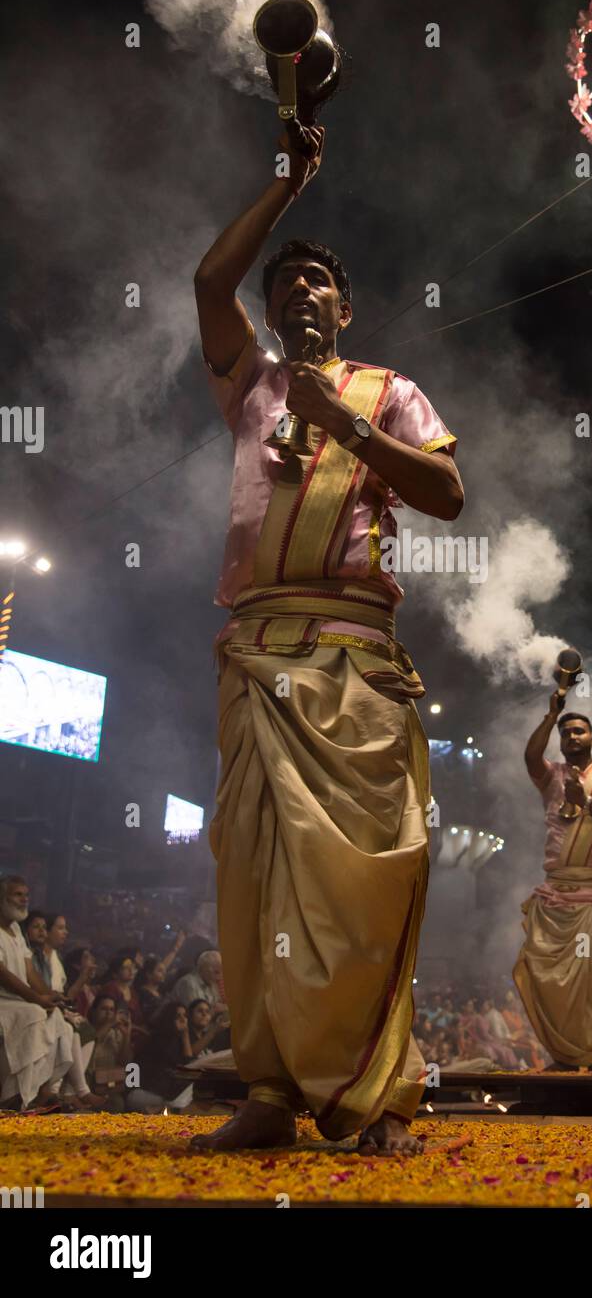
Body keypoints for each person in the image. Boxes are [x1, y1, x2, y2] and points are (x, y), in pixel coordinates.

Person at [189, 117, 463, 1157]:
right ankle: (268, 1088)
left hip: (355, 663)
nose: (294, 289)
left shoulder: (388, 389)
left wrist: (346, 424)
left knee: (362, 885)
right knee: (252, 877)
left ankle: (368, 1095)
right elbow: (210, 283)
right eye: (284, 282)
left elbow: (446, 490)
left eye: (315, 282)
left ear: (345, 307)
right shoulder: (248, 385)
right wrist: (285, 186)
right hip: (258, 662)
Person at [514, 701, 592, 1070]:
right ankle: (565, 1055)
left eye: (578, 730)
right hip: (558, 894)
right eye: (565, 732)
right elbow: (530, 756)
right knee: (542, 970)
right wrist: (551, 714)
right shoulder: (552, 776)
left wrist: (588, 804)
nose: (571, 736)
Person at [0, 875, 101, 1110]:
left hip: (18, 999)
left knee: (57, 1018)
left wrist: (50, 996)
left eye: (26, 895)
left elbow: (29, 971)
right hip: (5, 1001)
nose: (24, 899)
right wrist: (37, 999)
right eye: (18, 894)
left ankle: (43, 1089)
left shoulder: (15, 929)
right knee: (34, 1014)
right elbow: (3, 974)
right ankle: (13, 1094)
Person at [126, 1001, 194, 1113]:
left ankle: (159, 1109)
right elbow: (185, 1068)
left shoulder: (178, 1040)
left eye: (185, 1016)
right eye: (178, 1016)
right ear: (169, 1019)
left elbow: (190, 1067)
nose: (183, 1019)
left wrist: (185, 1036)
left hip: (161, 1094)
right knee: (180, 1104)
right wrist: (185, 1035)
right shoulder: (158, 1040)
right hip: (140, 1092)